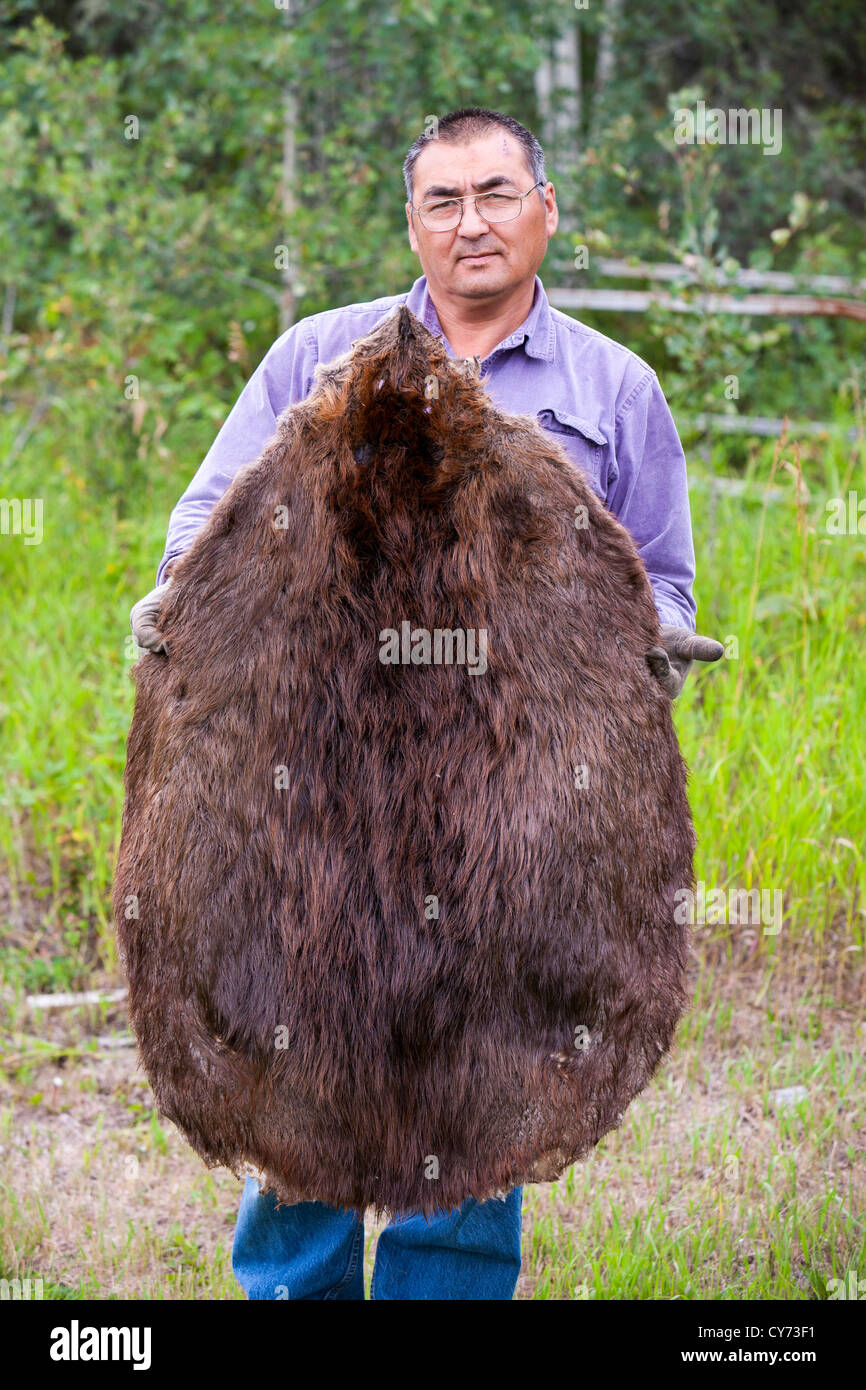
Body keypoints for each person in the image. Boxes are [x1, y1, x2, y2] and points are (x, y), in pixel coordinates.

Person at [130, 106, 723, 1300]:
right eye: (443, 201)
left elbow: (659, 578)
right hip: (319, 783)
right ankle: (294, 1290)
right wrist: (180, 603)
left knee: (480, 1048)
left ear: (545, 209)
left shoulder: (612, 388)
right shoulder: (316, 358)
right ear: (411, 222)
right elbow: (204, 528)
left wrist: (636, 641)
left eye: (496, 194)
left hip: (506, 803)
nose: (471, 224)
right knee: (297, 1027)